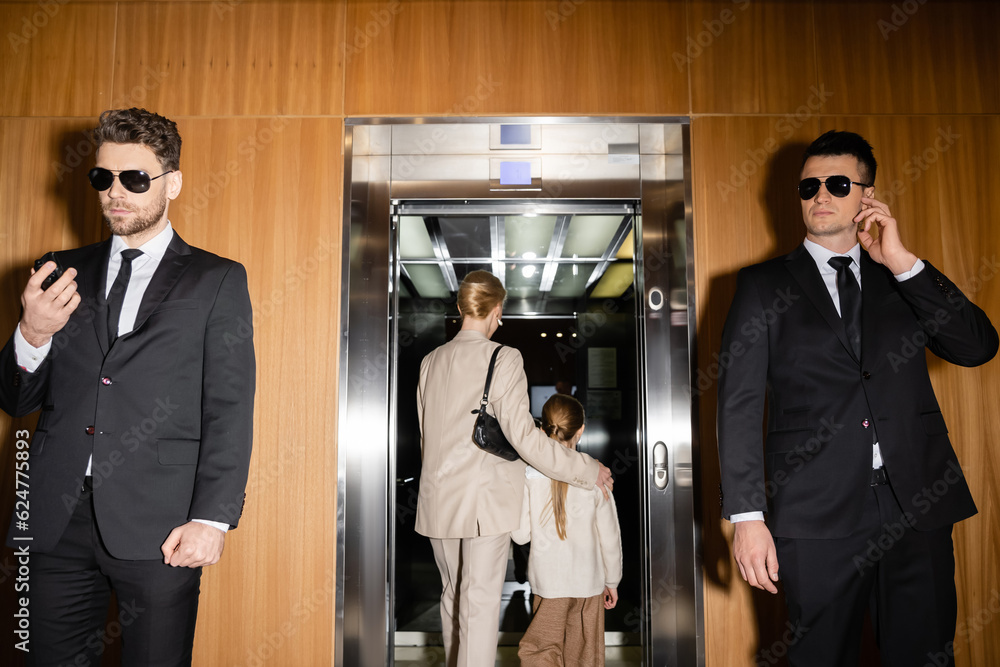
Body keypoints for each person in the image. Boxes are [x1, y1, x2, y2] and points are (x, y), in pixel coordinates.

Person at [717, 129, 998, 666]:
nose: (820, 195)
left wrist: (903, 262)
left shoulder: (902, 278)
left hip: (917, 502)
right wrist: (747, 517)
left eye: (838, 184)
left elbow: (976, 347)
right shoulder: (760, 286)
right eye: (809, 187)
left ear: (867, 196)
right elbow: (738, 405)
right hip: (814, 512)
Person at [0, 108, 255, 665]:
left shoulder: (216, 279)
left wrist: (212, 519)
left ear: (173, 183)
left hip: (161, 524)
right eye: (103, 178)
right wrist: (31, 333)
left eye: (135, 179)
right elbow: (16, 400)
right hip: (54, 519)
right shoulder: (56, 271)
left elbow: (229, 408)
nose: (116, 193)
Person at [416, 270, 614, 667]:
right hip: (484, 503)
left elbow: (427, 437)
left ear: (462, 308)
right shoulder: (504, 357)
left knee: (453, 601)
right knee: (480, 605)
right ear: (496, 310)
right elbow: (525, 439)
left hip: (438, 502)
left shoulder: (430, 361)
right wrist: (584, 468)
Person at [512, 393, 622, 667]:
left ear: (542, 428)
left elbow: (520, 535)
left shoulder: (528, 477)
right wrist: (612, 581)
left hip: (549, 586)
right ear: (581, 430)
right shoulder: (597, 476)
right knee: (585, 654)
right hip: (590, 584)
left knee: (541, 651)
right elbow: (610, 538)